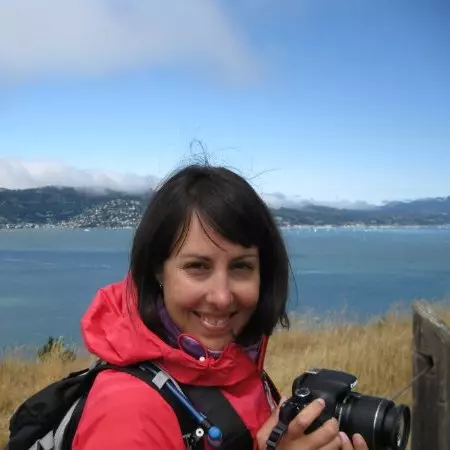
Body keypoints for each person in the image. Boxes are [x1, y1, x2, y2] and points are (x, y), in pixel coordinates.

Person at [72, 163, 369, 450]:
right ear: (157, 271)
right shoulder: (127, 412)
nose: (222, 297)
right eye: (198, 266)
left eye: (241, 267)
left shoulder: (234, 362)